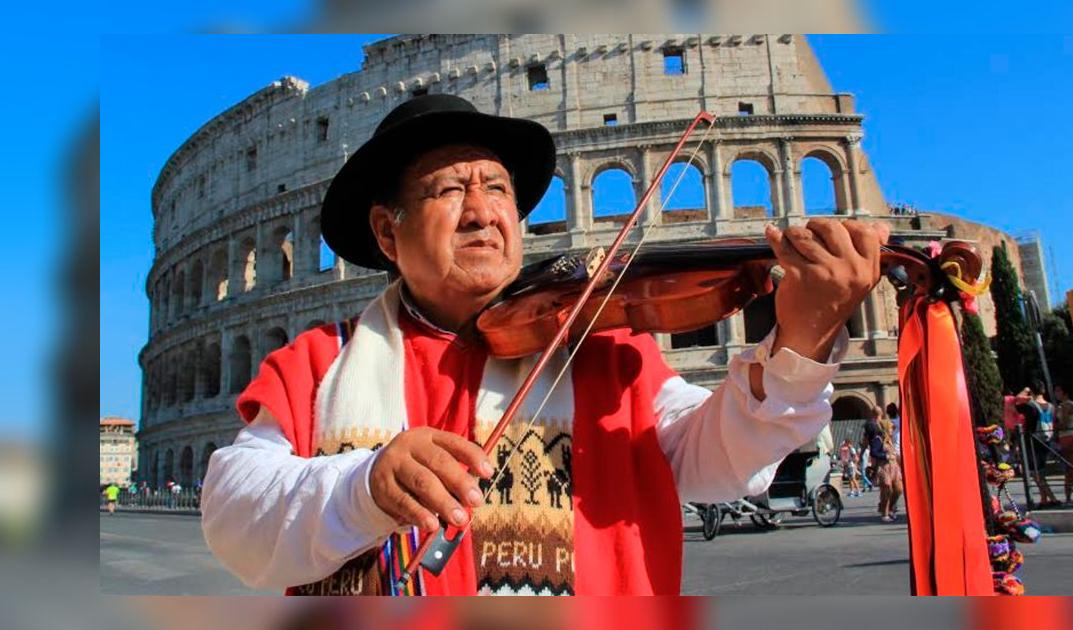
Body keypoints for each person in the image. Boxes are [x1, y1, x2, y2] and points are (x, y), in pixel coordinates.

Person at [200, 95, 891, 596]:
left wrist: (802, 338)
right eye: (450, 190)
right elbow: (234, 514)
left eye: (497, 188)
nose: (483, 210)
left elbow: (724, 458)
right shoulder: (321, 360)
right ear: (387, 232)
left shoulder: (603, 351)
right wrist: (365, 485)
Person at [1017, 384, 1060, 507]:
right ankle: (1044, 499)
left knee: (1035, 472)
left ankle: (1052, 498)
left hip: (1032, 440)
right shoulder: (1051, 406)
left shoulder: (1031, 405)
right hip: (1046, 439)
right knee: (1040, 470)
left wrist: (1025, 390)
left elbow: (1017, 401)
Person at [863, 406, 902, 522]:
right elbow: (874, 452)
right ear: (885, 428)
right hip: (884, 467)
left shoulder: (890, 439)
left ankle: (889, 508)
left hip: (894, 467)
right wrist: (886, 456)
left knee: (899, 489)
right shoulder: (878, 439)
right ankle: (885, 513)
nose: (893, 430)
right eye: (891, 428)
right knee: (887, 489)